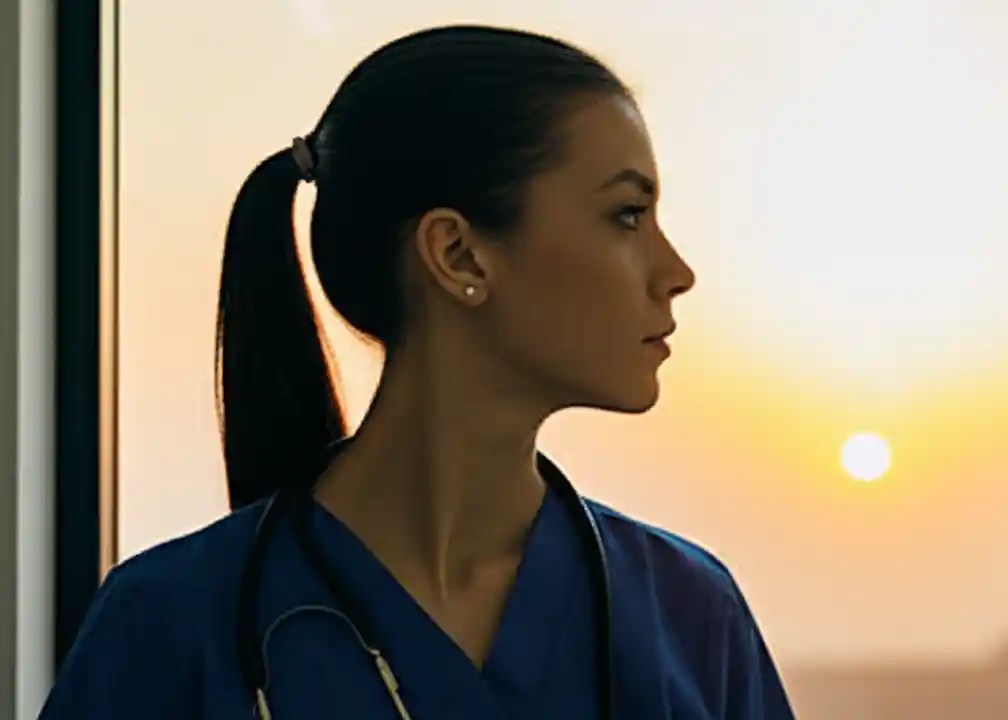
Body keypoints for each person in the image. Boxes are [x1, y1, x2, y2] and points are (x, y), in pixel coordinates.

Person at [39, 24, 795, 719]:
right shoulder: (169, 628)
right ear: (458, 255)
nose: (677, 272)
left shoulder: (691, 615)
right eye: (627, 216)